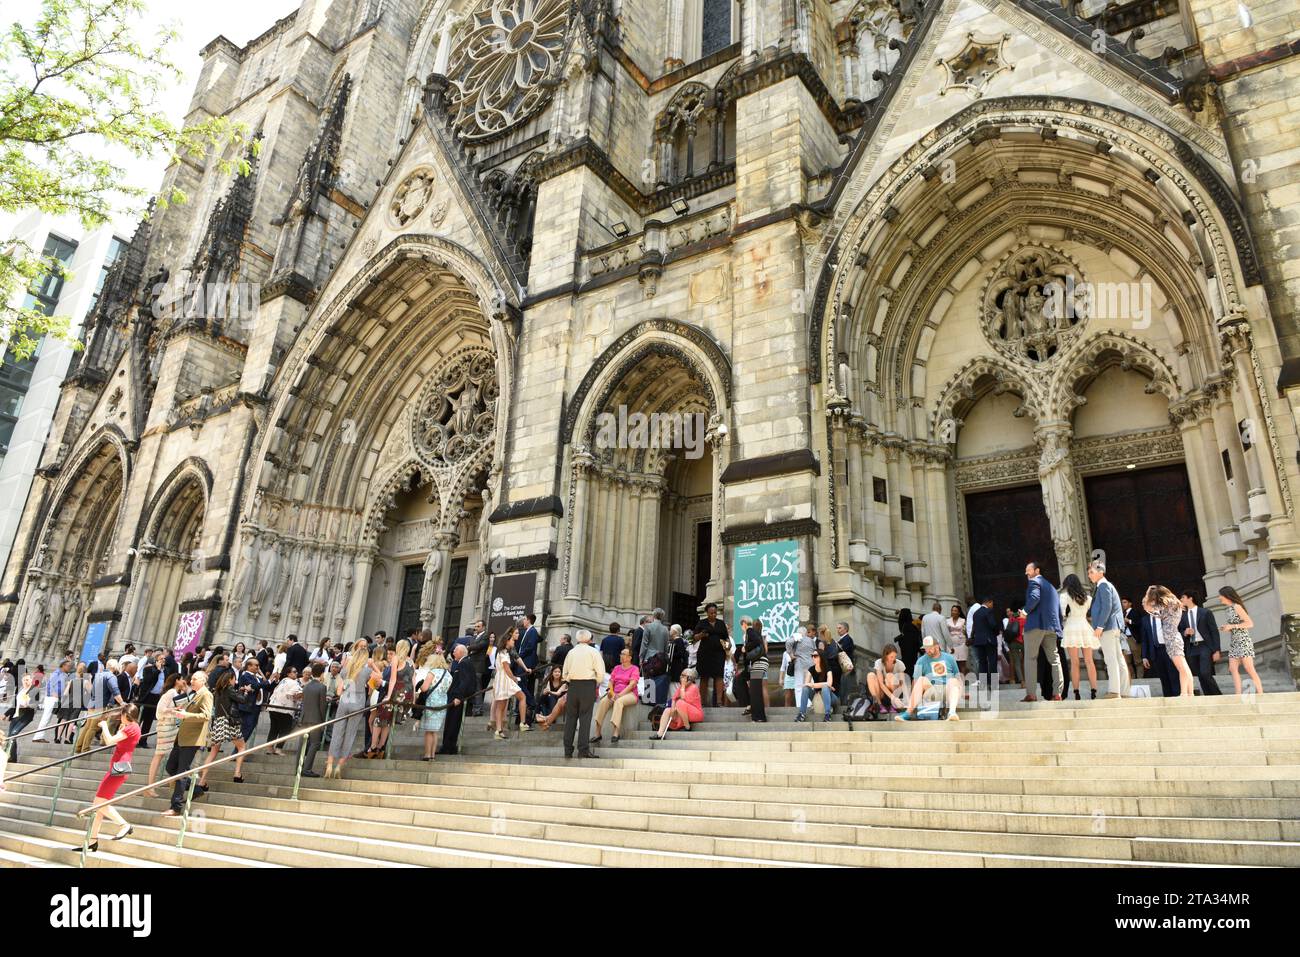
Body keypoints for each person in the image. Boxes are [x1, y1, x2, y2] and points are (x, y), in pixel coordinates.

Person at [85, 704, 142, 853]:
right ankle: (92, 840)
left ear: (125, 715)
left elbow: (109, 741)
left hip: (119, 767)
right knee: (99, 806)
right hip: (119, 766)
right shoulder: (132, 727)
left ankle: (124, 825)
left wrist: (104, 726)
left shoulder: (131, 728)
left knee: (98, 803)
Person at [162, 670, 212, 816]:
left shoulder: (206, 694)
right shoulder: (195, 693)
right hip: (182, 737)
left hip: (192, 738)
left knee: (181, 773)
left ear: (203, 680)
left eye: (195, 679)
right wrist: (181, 711)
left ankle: (176, 806)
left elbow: (206, 715)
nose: (191, 681)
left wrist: (187, 715)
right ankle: (195, 789)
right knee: (171, 767)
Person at [197, 669, 250, 792]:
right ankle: (237, 773)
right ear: (230, 679)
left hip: (218, 723)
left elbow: (230, 698)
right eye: (234, 679)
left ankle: (202, 781)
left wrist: (239, 691)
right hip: (230, 722)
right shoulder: (229, 689)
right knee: (241, 747)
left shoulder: (217, 691)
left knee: (213, 752)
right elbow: (242, 700)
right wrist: (246, 692)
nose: (235, 681)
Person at [325, 640, 372, 779]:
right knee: (350, 734)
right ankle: (339, 765)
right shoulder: (367, 669)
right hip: (358, 701)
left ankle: (329, 764)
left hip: (345, 699)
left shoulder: (346, 668)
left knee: (337, 732)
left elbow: (340, 688)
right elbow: (378, 681)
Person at [1087, 561, 1130, 699]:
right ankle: (1124, 691)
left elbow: (1107, 607)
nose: (1089, 575)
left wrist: (1100, 626)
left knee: (1111, 659)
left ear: (1101, 572)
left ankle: (1114, 691)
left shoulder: (1104, 585)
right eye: (1088, 572)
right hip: (1113, 627)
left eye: (1091, 572)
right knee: (1118, 659)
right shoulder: (1105, 585)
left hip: (1108, 627)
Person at [1022, 561, 1064, 702]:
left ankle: (1031, 694)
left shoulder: (1035, 582)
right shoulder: (1052, 587)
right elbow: (1058, 609)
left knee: (1030, 659)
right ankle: (1057, 693)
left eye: (1029, 570)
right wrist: (1058, 627)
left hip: (1035, 625)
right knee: (1054, 660)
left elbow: (1034, 597)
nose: (1026, 573)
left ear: (1037, 571)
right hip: (1051, 627)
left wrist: (1025, 611)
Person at [560, 629, 604, 759]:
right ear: (590, 639)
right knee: (585, 718)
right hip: (588, 685)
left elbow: (564, 673)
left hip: (573, 685)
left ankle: (568, 750)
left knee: (570, 719)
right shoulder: (593, 652)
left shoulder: (571, 652)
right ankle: (583, 750)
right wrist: (596, 683)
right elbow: (601, 673)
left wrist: (569, 681)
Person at [142, 674, 187, 798]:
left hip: (172, 726)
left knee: (163, 755)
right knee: (159, 755)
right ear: (177, 680)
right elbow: (161, 709)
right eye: (182, 679)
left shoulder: (175, 693)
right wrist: (174, 710)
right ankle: (149, 787)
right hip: (166, 726)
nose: (184, 681)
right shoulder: (170, 693)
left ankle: (155, 785)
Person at [1144, 585, 1194, 697]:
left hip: (1172, 639)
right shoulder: (1172, 603)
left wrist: (1148, 593)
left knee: (1181, 668)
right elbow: (1148, 608)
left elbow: (1146, 606)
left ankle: (1184, 693)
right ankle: (1189, 693)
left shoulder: (1170, 604)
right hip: (1172, 638)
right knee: (1184, 667)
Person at [898, 636, 961, 721]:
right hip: (931, 691)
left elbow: (958, 677)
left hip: (948, 689)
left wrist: (961, 692)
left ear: (937, 646)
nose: (927, 650)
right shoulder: (921, 660)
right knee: (921, 680)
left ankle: (952, 713)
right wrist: (914, 699)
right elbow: (915, 682)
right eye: (925, 648)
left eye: (929, 648)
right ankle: (907, 713)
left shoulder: (949, 658)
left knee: (953, 680)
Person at [370, 639, 415, 754]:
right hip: (408, 694)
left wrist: (389, 695)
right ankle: (380, 748)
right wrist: (413, 698)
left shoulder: (396, 659)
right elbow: (413, 681)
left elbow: (393, 679)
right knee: (388, 721)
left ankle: (374, 747)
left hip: (397, 693)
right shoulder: (411, 662)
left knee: (379, 719)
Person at [1058, 574, 1098, 700]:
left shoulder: (1064, 596)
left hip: (1071, 627)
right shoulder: (1088, 598)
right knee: (1089, 661)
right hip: (1085, 626)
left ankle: (1076, 692)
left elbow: (1062, 614)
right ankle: (1094, 691)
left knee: (1074, 663)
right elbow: (1091, 614)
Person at [1218, 586, 1262, 695]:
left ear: (1226, 596)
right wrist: (1227, 627)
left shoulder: (1237, 607)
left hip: (1243, 641)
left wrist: (1232, 626)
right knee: (1232, 668)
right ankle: (1238, 693)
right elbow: (1234, 625)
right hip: (1234, 642)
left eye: (1220, 595)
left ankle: (1260, 693)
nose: (1219, 598)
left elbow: (1250, 623)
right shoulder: (1228, 609)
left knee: (1248, 667)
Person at [437, 644, 478, 756]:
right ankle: (449, 747)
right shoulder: (465, 663)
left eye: (455, 651)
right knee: (452, 723)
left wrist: (458, 697)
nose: (453, 653)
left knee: (452, 723)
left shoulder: (464, 663)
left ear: (461, 652)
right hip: (455, 698)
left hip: (456, 699)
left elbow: (465, 682)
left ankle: (448, 747)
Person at [593, 647, 639, 745]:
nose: (621, 656)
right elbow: (610, 682)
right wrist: (611, 693)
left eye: (623, 654)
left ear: (629, 657)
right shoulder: (617, 668)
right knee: (603, 701)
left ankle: (616, 732)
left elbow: (632, 685)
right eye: (621, 654)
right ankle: (597, 733)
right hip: (615, 693)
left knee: (619, 702)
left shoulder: (635, 669)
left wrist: (619, 695)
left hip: (629, 694)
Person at [490, 631, 529, 739]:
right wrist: (514, 678)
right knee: (521, 697)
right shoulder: (503, 653)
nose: (513, 641)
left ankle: (499, 730)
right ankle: (522, 723)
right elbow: (506, 669)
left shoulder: (502, 652)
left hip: (501, 679)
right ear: (507, 641)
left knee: (501, 706)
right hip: (504, 679)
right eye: (512, 640)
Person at [694, 602, 730, 708]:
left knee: (719, 676)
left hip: (719, 654)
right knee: (704, 677)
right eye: (711, 613)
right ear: (707, 613)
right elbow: (693, 638)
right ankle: (702, 702)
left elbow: (726, 637)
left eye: (715, 613)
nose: (713, 615)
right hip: (705, 654)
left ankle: (719, 702)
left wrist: (728, 645)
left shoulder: (721, 623)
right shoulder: (702, 623)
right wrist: (701, 635)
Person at [650, 669, 704, 739]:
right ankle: (660, 733)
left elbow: (683, 698)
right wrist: (672, 708)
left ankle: (687, 726)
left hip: (696, 713)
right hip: (683, 711)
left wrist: (683, 686)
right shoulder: (681, 687)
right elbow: (674, 698)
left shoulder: (694, 687)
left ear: (690, 678)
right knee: (667, 710)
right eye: (681, 675)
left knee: (680, 703)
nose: (681, 677)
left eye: (684, 676)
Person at [416, 652, 451, 760]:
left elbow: (425, 688)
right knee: (435, 731)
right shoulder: (448, 674)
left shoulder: (432, 673)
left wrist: (420, 684)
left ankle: (427, 754)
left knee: (428, 730)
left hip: (431, 703)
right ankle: (432, 755)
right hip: (442, 703)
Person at [968, 596, 1000, 697]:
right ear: (988, 602)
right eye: (992, 604)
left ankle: (983, 684)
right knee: (992, 661)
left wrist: (972, 637)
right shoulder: (988, 611)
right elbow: (993, 624)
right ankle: (993, 684)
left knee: (982, 662)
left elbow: (974, 627)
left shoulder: (976, 613)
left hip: (979, 641)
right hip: (989, 640)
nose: (992, 606)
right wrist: (997, 631)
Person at [32, 659, 69, 742]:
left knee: (48, 718)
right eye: (67, 666)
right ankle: (37, 737)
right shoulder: (56, 673)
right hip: (52, 698)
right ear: (63, 665)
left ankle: (39, 736)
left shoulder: (63, 674)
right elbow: (50, 684)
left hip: (56, 698)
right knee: (46, 717)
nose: (69, 667)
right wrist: (52, 693)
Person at [795, 649, 836, 722]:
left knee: (825, 688)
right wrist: (823, 684)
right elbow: (807, 684)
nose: (813, 657)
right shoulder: (811, 669)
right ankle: (802, 713)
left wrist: (813, 685)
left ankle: (827, 714)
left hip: (829, 697)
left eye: (815, 656)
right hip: (816, 696)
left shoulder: (828, 668)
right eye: (812, 656)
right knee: (805, 688)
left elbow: (829, 683)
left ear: (821, 657)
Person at [866, 643, 907, 715]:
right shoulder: (879, 663)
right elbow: (881, 684)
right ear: (886, 655)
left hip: (895, 692)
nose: (893, 659)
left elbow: (902, 684)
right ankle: (878, 704)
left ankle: (893, 705)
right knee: (871, 675)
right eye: (891, 657)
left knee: (889, 676)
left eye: (895, 656)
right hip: (882, 693)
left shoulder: (899, 664)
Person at [784, 625, 816, 712]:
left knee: (799, 686)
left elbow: (787, 643)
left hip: (800, 665)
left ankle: (800, 705)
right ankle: (811, 703)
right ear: (805, 633)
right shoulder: (811, 640)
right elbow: (814, 651)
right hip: (810, 665)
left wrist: (790, 654)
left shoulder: (796, 638)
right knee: (810, 685)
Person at [743, 619, 768, 722]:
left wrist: (746, 647)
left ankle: (759, 717)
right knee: (756, 690)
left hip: (758, 663)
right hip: (763, 662)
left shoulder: (751, 633)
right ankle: (758, 715)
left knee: (755, 691)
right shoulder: (761, 636)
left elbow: (751, 647)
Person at [535, 666, 569, 730]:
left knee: (552, 697)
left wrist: (549, 691)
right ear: (552, 673)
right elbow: (547, 690)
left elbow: (558, 693)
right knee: (543, 696)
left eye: (559, 672)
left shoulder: (564, 683)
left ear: (561, 673)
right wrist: (545, 692)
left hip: (560, 701)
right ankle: (537, 714)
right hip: (551, 699)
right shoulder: (549, 681)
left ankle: (548, 718)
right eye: (555, 672)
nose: (557, 673)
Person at [1002, 607, 1025, 687]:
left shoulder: (1011, 620)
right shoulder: (1024, 620)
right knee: (1025, 661)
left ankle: (1022, 682)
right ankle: (1027, 679)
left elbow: (1007, 631)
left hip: (1013, 643)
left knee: (1017, 663)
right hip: (1023, 642)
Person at [896, 608, 922, 674]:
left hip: (905, 651)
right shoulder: (913, 625)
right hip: (913, 652)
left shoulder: (904, 625)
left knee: (906, 668)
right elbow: (916, 639)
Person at [1121, 598, 1142, 678]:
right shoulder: (1122, 614)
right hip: (1124, 639)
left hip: (1133, 639)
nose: (1123, 604)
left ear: (1130, 603)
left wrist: (1128, 621)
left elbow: (1139, 623)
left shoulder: (1135, 612)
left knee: (1138, 661)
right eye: (1122, 602)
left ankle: (1140, 678)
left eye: (1125, 602)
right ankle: (1132, 678)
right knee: (1127, 661)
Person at [946, 604, 969, 675]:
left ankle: (962, 681)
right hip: (951, 645)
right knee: (952, 663)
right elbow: (946, 632)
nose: (953, 612)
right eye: (952, 610)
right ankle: (954, 681)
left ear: (959, 612)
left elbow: (967, 631)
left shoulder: (963, 620)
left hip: (961, 644)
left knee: (962, 663)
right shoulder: (947, 621)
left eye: (955, 611)